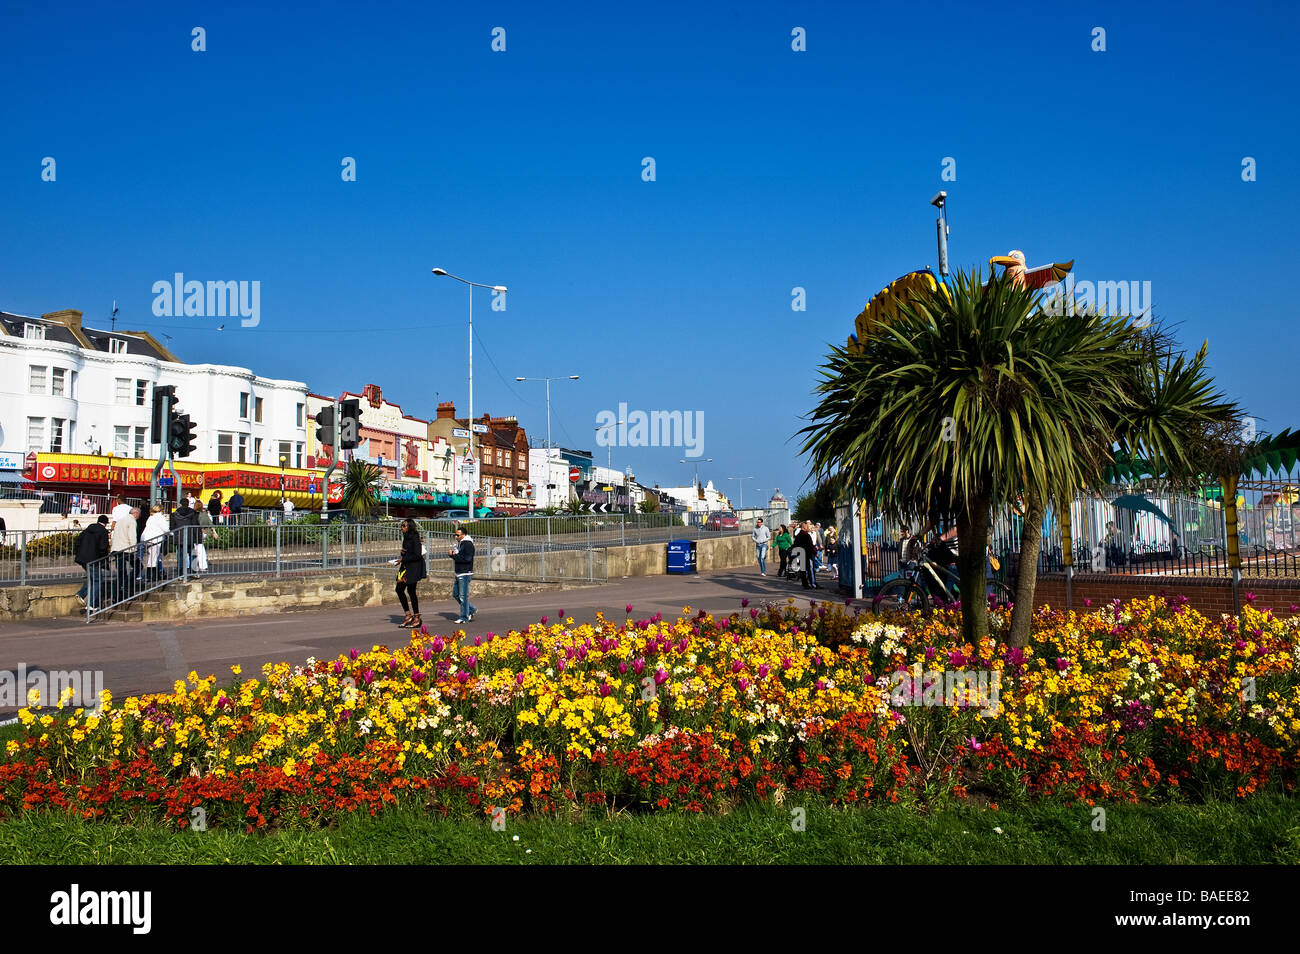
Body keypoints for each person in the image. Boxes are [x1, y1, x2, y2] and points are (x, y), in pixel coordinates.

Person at [392, 518, 426, 628]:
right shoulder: (406, 537)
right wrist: (402, 554)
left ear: (409, 527)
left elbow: (417, 554)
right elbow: (407, 552)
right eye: (402, 525)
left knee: (411, 591)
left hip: (413, 568)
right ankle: (408, 615)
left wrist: (403, 559)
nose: (402, 527)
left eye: (404, 525)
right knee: (399, 589)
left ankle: (416, 617)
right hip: (405, 567)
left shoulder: (414, 537)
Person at [74, 515, 110, 609]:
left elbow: (78, 541)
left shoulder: (88, 529)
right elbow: (103, 547)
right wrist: (104, 560)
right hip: (94, 559)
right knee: (98, 580)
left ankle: (82, 595)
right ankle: (92, 604)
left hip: (82, 558)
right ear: (105, 523)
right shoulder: (103, 531)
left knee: (91, 579)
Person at [448, 526, 477, 623]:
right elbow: (460, 557)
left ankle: (464, 617)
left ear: (463, 535)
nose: (456, 537)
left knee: (463, 596)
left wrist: (454, 555)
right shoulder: (460, 544)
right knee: (455, 594)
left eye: (458, 535)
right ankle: (471, 609)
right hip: (459, 572)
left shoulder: (468, 544)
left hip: (465, 572)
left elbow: (467, 559)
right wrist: (453, 555)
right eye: (455, 535)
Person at [110, 506, 140, 599]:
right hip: (126, 549)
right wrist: (134, 551)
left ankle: (117, 593)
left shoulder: (120, 520)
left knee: (121, 571)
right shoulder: (132, 521)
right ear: (136, 514)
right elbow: (132, 536)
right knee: (138, 566)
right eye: (139, 515)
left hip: (116, 549)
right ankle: (127, 585)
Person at [170, 497, 201, 575]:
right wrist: (198, 539)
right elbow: (195, 526)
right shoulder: (193, 513)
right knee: (192, 554)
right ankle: (193, 572)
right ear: (188, 504)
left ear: (180, 504)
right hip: (190, 537)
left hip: (179, 537)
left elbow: (172, 527)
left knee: (180, 556)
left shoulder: (174, 514)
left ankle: (181, 573)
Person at [142, 504, 170, 581]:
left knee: (151, 557)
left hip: (147, 538)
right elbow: (166, 528)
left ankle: (152, 575)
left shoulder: (151, 517)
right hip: (155, 540)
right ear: (161, 510)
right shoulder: (160, 517)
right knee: (154, 558)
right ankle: (152, 576)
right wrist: (171, 533)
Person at [794, 520, 818, 589]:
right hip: (807, 554)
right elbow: (810, 546)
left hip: (800, 554)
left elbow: (795, 545)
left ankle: (805, 584)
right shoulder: (806, 535)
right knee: (810, 570)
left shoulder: (798, 535)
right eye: (807, 525)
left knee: (803, 570)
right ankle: (813, 584)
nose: (808, 527)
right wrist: (815, 553)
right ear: (804, 526)